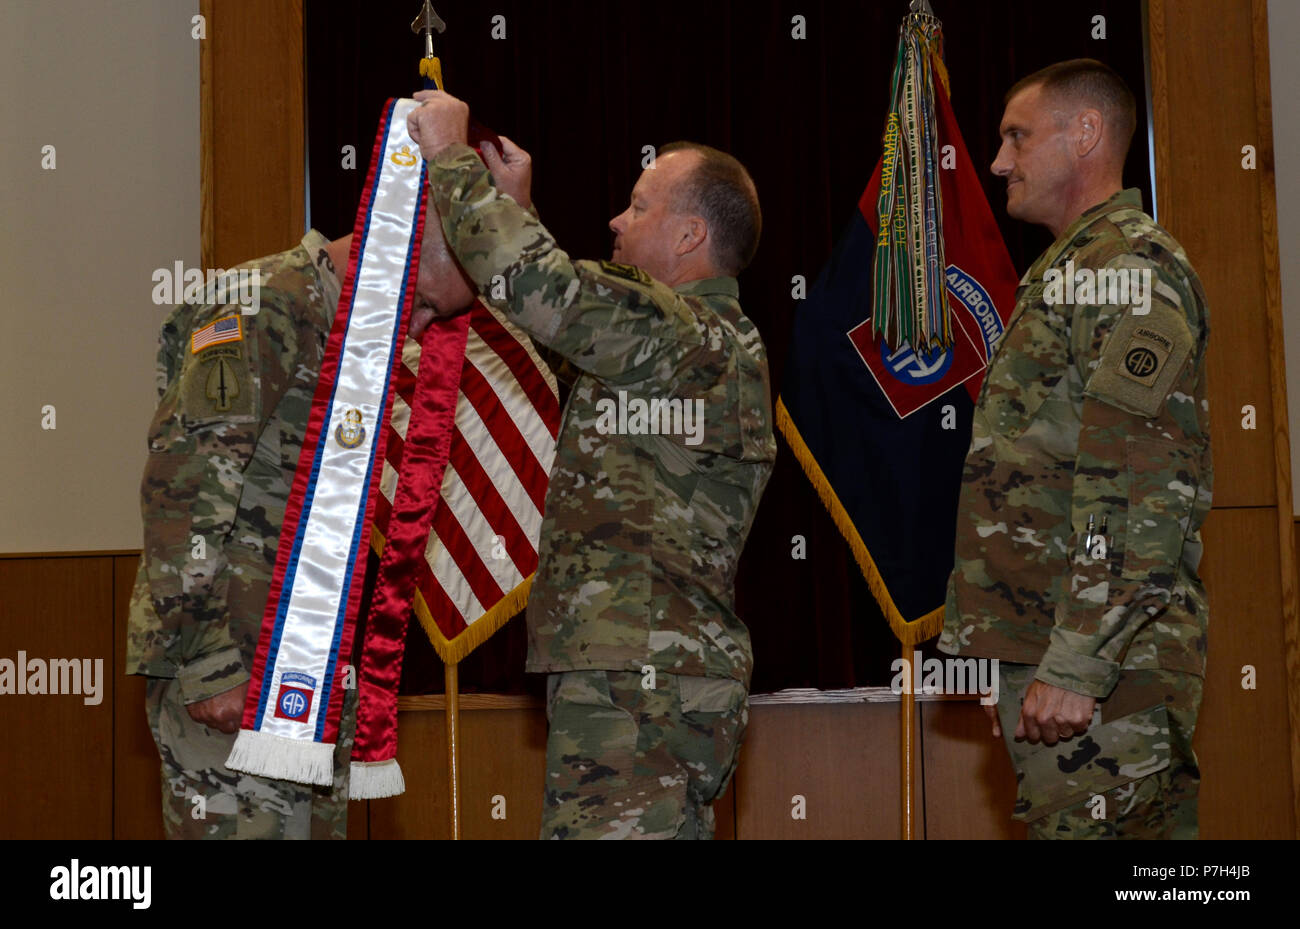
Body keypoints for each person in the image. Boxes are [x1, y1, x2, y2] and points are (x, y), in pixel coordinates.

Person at [407, 91, 777, 839]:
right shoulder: (670, 344)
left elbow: (557, 297)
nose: (615, 220)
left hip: (642, 682)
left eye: (638, 208)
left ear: (689, 235)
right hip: (642, 675)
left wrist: (452, 157)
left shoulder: (689, 334)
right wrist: (519, 210)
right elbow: (563, 331)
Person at [126, 190, 475, 839]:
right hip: (233, 669)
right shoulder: (259, 303)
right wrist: (210, 663)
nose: (423, 329)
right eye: (422, 301)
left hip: (302, 674)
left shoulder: (349, 334)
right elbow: (184, 478)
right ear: (389, 250)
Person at [937, 59, 1212, 839]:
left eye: (1017, 137)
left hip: (1106, 669)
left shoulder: (1126, 271)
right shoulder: (1070, 270)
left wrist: (1075, 664)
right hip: (1060, 654)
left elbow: (1137, 481)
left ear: (1084, 134)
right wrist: (1015, 660)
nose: (997, 162)